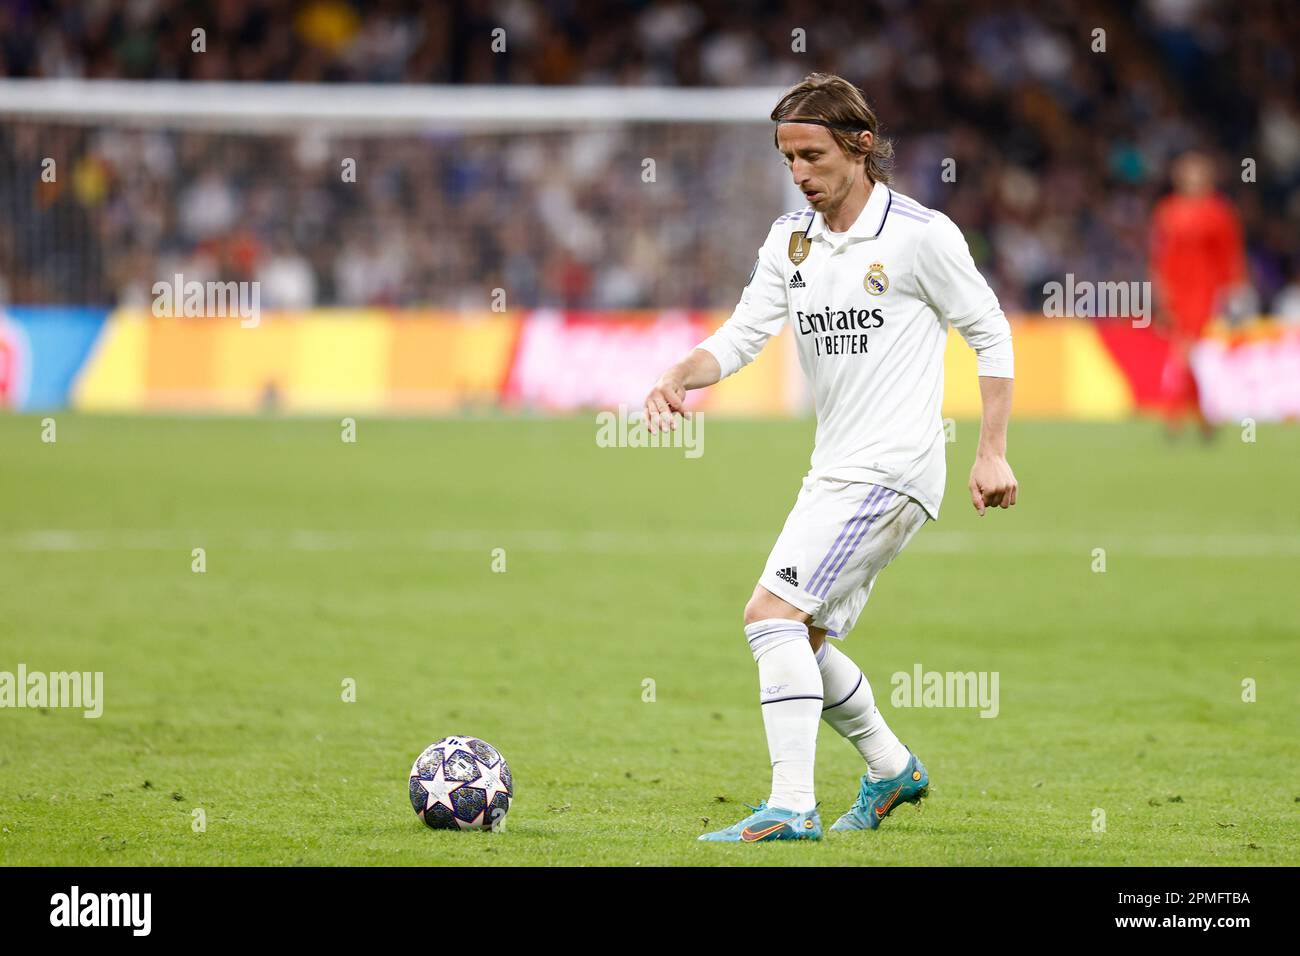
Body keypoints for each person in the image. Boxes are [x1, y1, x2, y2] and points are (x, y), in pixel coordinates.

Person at [643, 73, 1017, 842]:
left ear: (861, 145)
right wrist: (683, 371)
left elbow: (991, 332)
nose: (800, 174)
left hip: (894, 467)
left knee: (769, 615)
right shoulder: (790, 240)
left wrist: (992, 453)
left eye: (812, 155)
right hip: (835, 469)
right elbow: (746, 334)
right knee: (803, 639)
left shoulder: (920, 235)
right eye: (788, 160)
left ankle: (791, 807)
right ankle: (890, 767)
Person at [1148, 151, 1249, 440]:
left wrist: (1235, 290)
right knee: (1188, 354)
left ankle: (1174, 417)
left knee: (1185, 351)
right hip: (1175, 291)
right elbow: (1158, 257)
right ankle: (1204, 419)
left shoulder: (1218, 211)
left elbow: (1230, 253)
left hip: (1204, 291)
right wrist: (1159, 291)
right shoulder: (1167, 211)